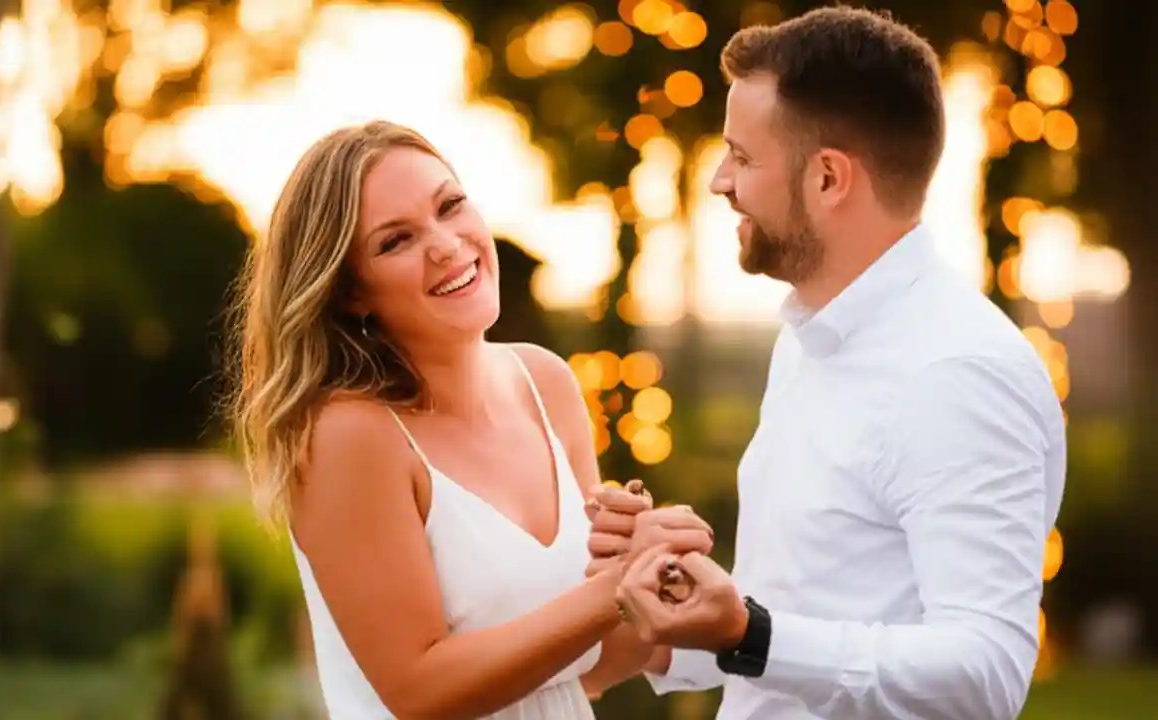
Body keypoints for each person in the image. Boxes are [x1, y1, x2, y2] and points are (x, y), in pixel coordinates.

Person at [591, 7, 1067, 720]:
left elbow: (986, 673)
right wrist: (676, 610)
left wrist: (750, 634)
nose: (720, 181)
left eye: (743, 157)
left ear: (827, 179)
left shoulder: (958, 372)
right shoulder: (808, 340)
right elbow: (805, 613)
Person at [224, 120, 714, 718]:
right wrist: (614, 591)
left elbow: (593, 665)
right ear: (352, 292)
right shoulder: (349, 434)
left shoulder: (547, 384)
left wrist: (654, 571)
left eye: (450, 205)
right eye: (395, 241)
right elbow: (420, 692)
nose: (445, 244)